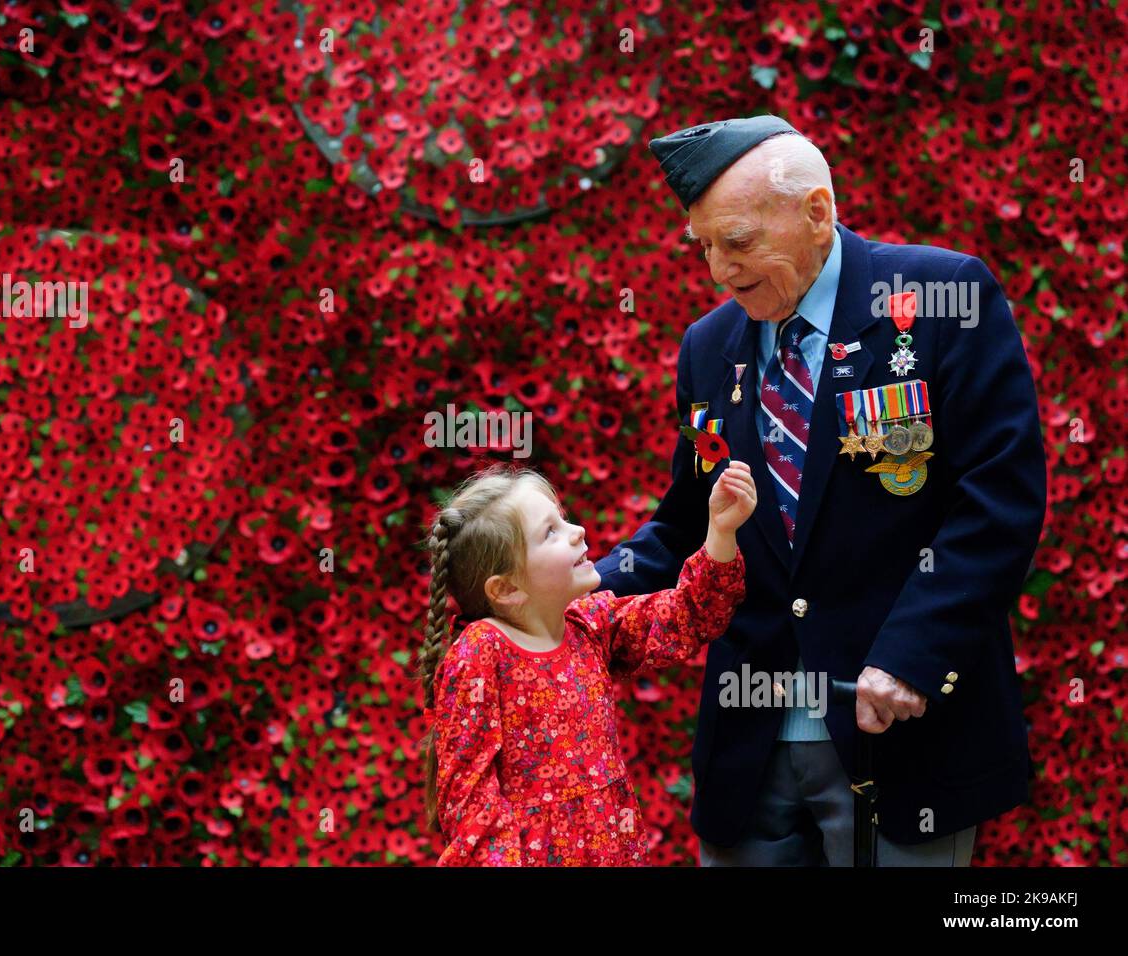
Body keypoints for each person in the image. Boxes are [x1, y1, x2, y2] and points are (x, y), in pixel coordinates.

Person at [593, 114, 1046, 865]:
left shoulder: (940, 297)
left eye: (736, 242)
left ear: (817, 212)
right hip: (749, 750)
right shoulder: (708, 346)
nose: (717, 270)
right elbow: (684, 525)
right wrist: (573, 596)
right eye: (703, 246)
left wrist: (912, 654)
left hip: (901, 739)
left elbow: (998, 501)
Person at [416, 460, 756, 864]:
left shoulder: (589, 623)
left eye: (564, 520)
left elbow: (688, 615)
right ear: (506, 588)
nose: (577, 532)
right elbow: (471, 800)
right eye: (551, 533)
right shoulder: (480, 654)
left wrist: (720, 530)